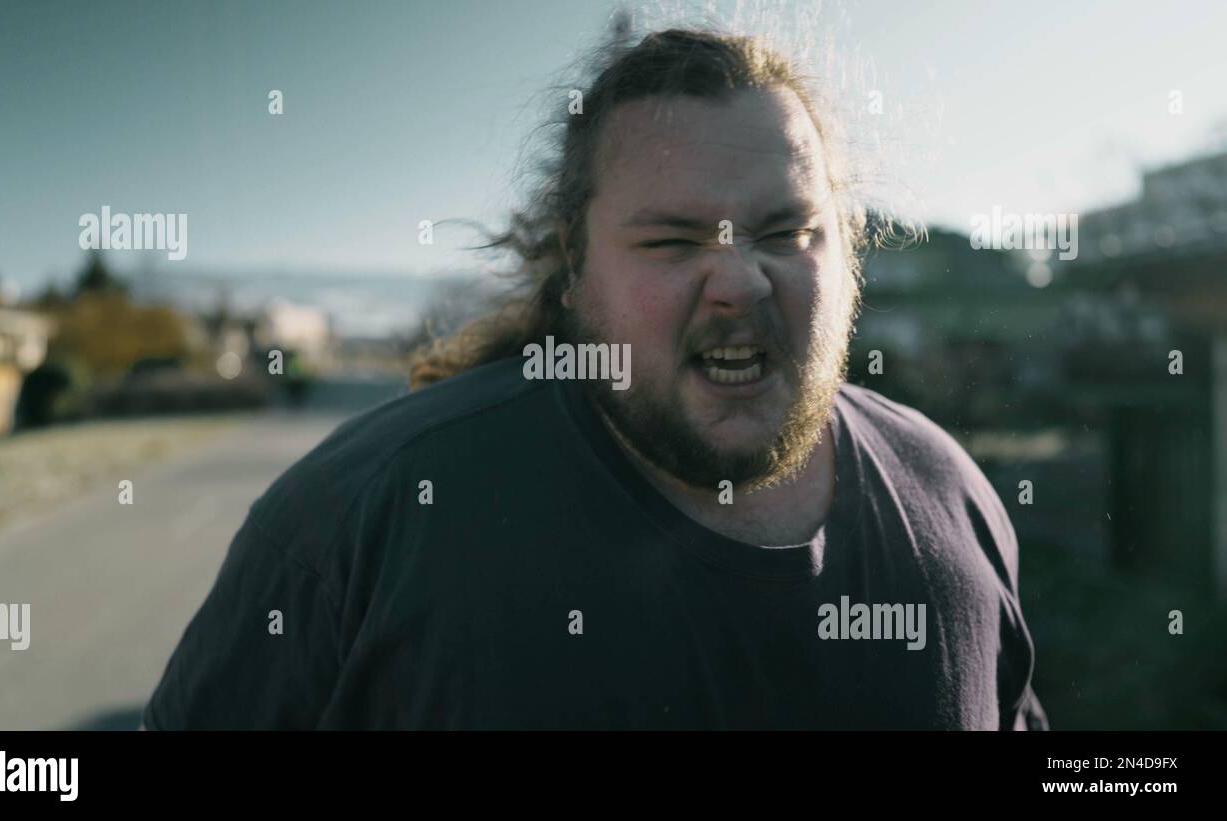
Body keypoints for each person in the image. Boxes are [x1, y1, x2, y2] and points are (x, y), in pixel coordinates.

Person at [144, 24, 1048, 730]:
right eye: (672, 240)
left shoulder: (949, 496)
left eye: (787, 232)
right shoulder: (360, 522)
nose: (739, 279)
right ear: (573, 265)